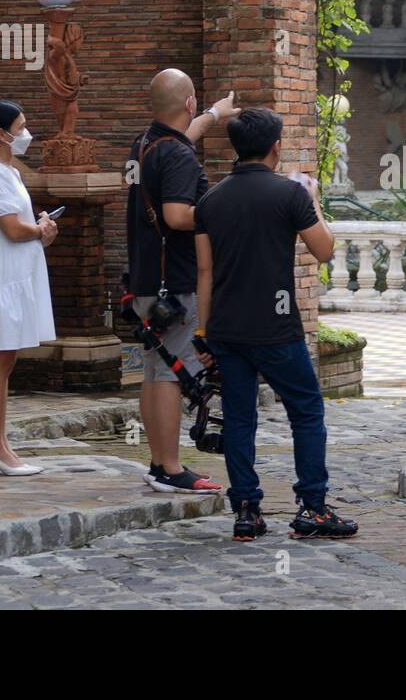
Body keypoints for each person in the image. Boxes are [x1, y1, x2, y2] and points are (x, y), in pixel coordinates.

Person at [193, 107, 357, 542]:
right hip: (275, 325)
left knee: (240, 419)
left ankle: (246, 511)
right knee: (305, 409)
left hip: (226, 328)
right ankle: (312, 507)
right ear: (276, 147)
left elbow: (205, 273)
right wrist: (315, 198)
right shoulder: (290, 194)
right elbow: (323, 250)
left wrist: (203, 333)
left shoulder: (210, 201)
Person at [126, 69, 238, 494]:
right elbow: (176, 215)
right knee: (173, 373)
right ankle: (172, 468)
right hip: (172, 282)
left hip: (143, 281)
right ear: (187, 103)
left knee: (155, 372)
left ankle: (158, 463)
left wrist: (214, 114)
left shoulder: (144, 143)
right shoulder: (178, 156)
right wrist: (218, 213)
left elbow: (182, 138)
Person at [0, 100, 57, 476]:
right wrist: (39, 229)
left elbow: (20, 224)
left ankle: (0, 443)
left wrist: (41, 227)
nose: (26, 134)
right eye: (20, 127)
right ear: (2, 134)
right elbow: (11, 228)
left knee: (7, 358)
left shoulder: (9, 171)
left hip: (14, 272)